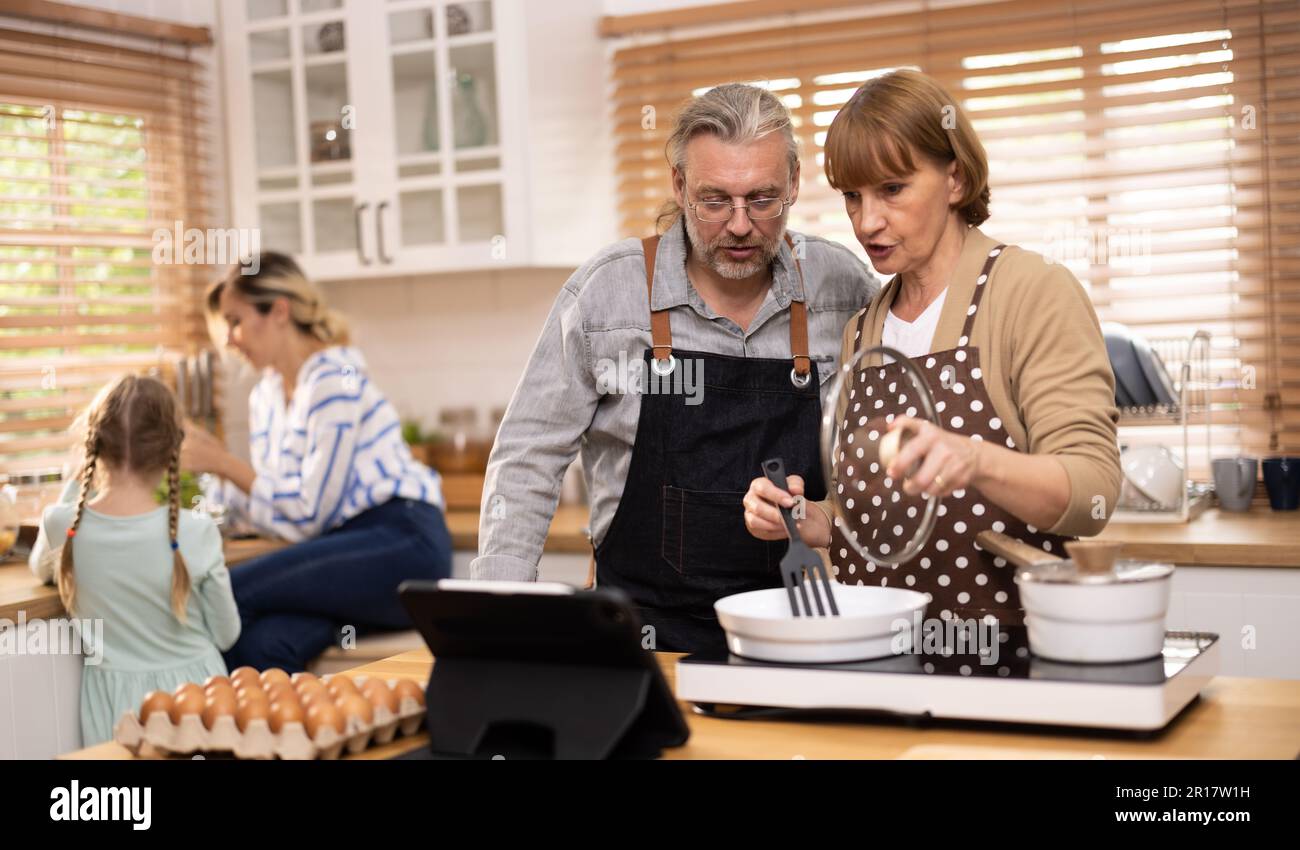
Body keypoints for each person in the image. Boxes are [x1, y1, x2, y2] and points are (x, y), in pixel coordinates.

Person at [472, 83, 879, 652]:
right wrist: (495, 624)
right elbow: (527, 458)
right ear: (679, 185)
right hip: (640, 641)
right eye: (714, 201)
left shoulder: (843, 288)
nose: (740, 225)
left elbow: (879, 464)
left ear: (793, 184)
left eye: (762, 199)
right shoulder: (608, 293)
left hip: (798, 639)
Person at [744, 70, 1122, 625]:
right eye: (853, 196)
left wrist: (975, 460)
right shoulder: (864, 329)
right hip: (879, 651)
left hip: (1004, 652)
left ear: (956, 179)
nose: (867, 222)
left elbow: (1093, 494)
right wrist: (810, 518)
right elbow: (871, 516)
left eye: (892, 189)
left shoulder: (1031, 291)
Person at [183, 252, 451, 671]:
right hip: (339, 551)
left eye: (236, 321)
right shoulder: (266, 396)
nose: (230, 339)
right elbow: (278, 501)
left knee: (228, 593)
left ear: (279, 311)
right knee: (263, 645)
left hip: (401, 541)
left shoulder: (333, 379)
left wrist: (223, 463)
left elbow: (308, 513)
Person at [29, 375, 240, 745]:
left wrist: (78, 481)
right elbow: (227, 635)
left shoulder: (63, 525)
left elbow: (39, 568)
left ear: (93, 447)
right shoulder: (196, 531)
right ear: (172, 449)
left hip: (115, 710)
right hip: (199, 701)